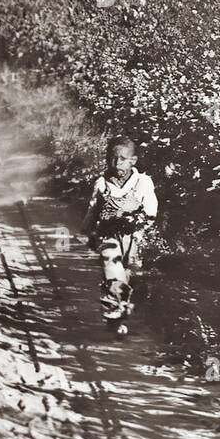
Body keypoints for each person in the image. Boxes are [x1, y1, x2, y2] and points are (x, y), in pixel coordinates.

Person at [80, 136, 158, 324]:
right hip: (109, 234)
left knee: (131, 274)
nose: (116, 163)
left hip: (134, 236)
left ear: (133, 160)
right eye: (112, 158)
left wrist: (139, 222)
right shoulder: (102, 183)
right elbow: (92, 210)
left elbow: (151, 211)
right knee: (112, 265)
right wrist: (87, 231)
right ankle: (114, 307)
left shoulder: (143, 182)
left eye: (122, 159)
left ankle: (127, 304)